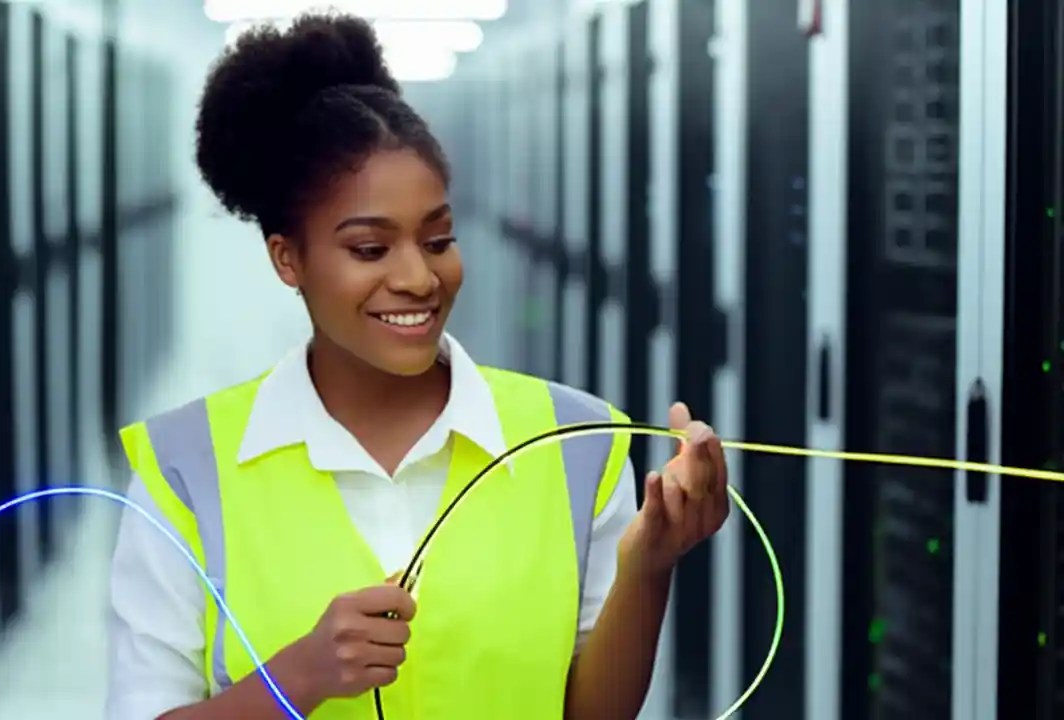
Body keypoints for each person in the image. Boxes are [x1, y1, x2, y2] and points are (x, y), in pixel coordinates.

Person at [105, 12, 729, 720]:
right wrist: (297, 678)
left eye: (438, 240)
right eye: (370, 249)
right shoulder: (187, 470)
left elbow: (591, 713)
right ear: (288, 258)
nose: (418, 278)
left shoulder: (576, 443)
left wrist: (647, 569)